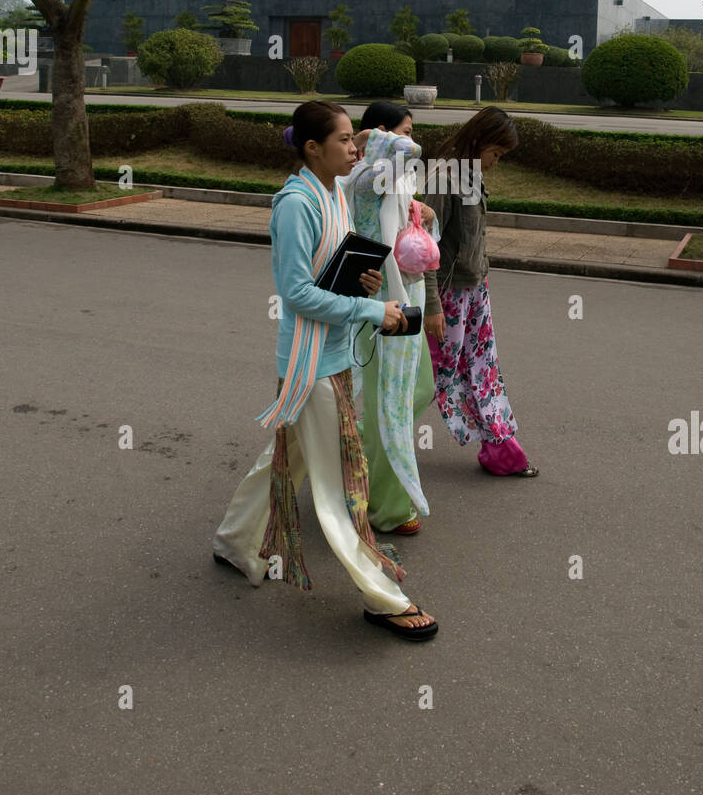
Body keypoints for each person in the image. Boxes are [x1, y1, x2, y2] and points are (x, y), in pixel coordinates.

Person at [212, 100, 438, 640]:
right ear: (311, 148)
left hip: (331, 354)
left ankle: (233, 541)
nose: (355, 149)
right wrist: (371, 309)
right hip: (310, 361)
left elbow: (325, 272)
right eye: (344, 140)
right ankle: (383, 597)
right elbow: (294, 292)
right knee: (341, 489)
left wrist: (360, 282)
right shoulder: (295, 204)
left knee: (285, 461)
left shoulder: (332, 191)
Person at [339, 100, 441, 536]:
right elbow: (411, 152)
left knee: (417, 390)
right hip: (379, 301)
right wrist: (371, 138)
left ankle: (354, 446)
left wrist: (419, 210)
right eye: (406, 129)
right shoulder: (363, 174)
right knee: (391, 400)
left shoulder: (385, 178)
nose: (413, 139)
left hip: (406, 295)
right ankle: (387, 507)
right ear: (384, 133)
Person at [422, 106, 538, 477]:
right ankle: (369, 438)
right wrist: (431, 306)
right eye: (496, 154)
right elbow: (425, 246)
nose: (497, 163)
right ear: (479, 141)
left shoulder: (470, 175)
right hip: (447, 297)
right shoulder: (443, 177)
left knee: (483, 369)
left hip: (475, 290)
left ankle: (502, 450)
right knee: (434, 378)